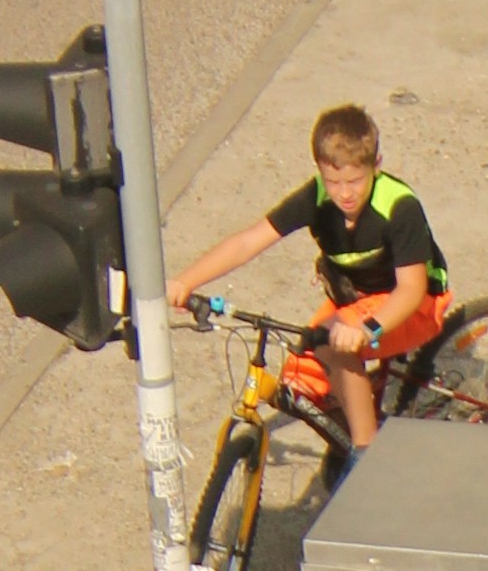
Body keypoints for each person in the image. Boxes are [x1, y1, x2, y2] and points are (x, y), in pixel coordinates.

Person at [176, 106, 447, 451]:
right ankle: (348, 431)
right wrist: (185, 282)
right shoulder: (317, 197)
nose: (344, 193)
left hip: (414, 304)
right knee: (299, 378)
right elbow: (248, 242)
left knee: (333, 346)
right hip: (356, 300)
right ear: (319, 171)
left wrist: (368, 330)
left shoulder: (398, 207)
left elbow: (411, 290)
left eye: (355, 181)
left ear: (376, 165)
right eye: (333, 182)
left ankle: (366, 457)